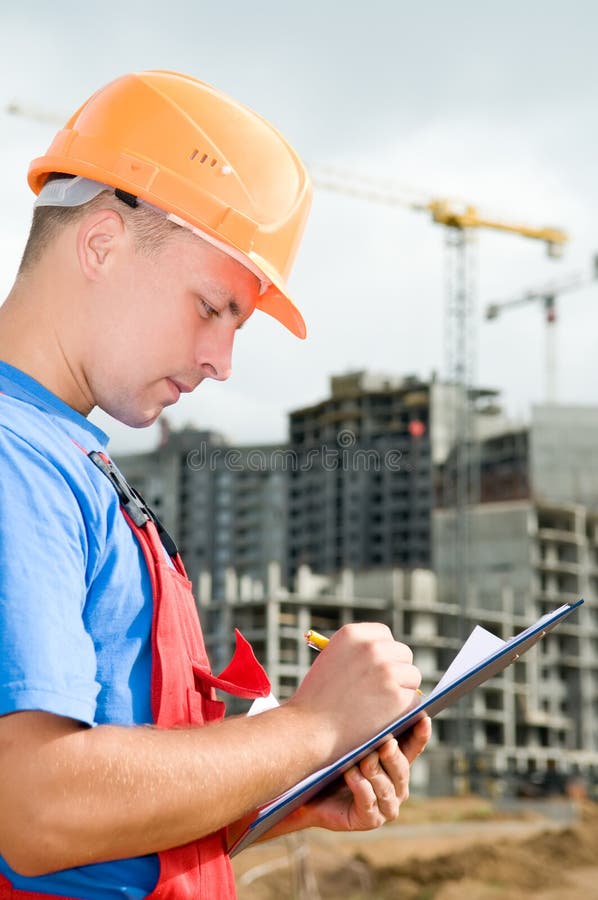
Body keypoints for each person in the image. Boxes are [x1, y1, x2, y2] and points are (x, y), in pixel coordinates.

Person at [0, 70, 431, 899]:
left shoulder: (68, 460)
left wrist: (281, 788)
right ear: (101, 243)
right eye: (212, 307)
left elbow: (94, 838)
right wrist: (311, 726)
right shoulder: (19, 460)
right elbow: (34, 808)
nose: (222, 362)